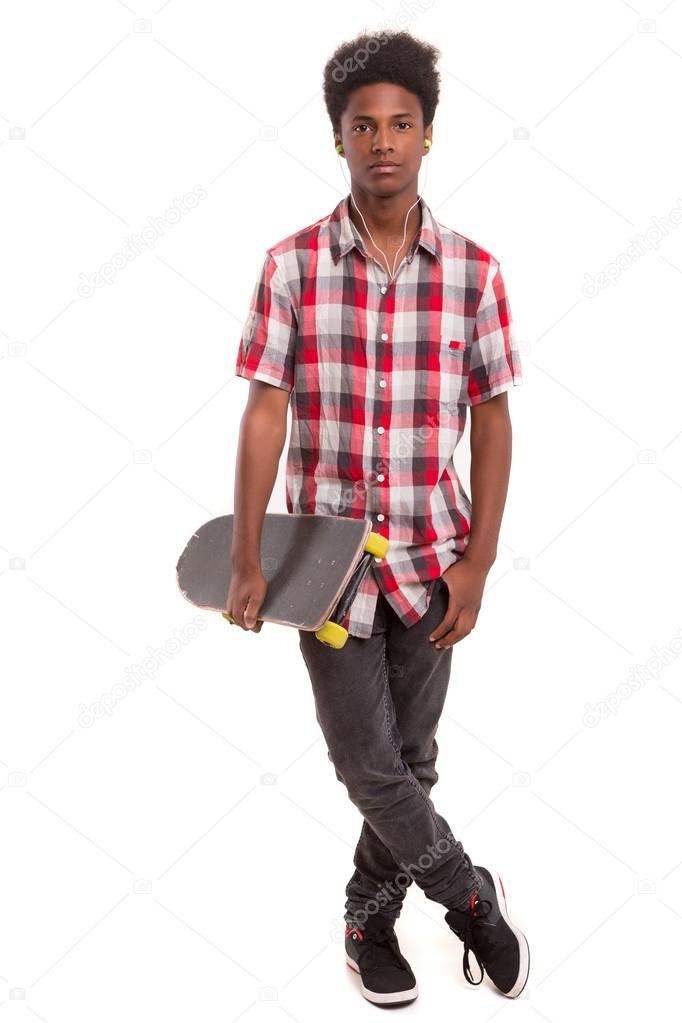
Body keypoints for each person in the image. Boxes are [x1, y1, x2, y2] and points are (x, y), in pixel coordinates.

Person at [228, 28, 529, 1007]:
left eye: (402, 123)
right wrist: (245, 553)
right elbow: (265, 409)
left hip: (433, 557)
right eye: (365, 126)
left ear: (429, 136)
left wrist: (479, 562)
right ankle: (467, 899)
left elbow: (491, 419)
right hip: (323, 568)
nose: (384, 141)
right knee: (367, 760)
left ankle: (368, 917)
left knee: (414, 760)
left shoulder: (474, 272)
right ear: (339, 140)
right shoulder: (289, 266)